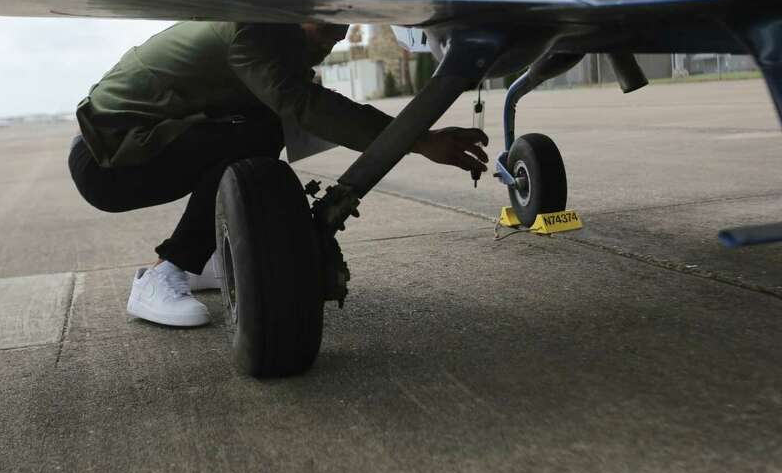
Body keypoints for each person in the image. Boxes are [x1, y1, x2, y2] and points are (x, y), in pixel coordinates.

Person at [69, 21, 489, 328]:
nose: (338, 37)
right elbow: (306, 106)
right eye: (327, 29)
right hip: (107, 159)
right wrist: (420, 139)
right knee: (259, 131)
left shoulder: (269, 29)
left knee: (257, 129)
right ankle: (164, 273)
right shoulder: (255, 34)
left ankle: (198, 259)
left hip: (136, 145)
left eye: (341, 27)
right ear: (301, 14)